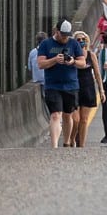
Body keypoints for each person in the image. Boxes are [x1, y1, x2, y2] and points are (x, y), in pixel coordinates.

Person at [36, 21, 85, 149]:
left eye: (67, 35)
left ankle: (67, 142)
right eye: (63, 35)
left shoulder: (74, 43)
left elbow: (83, 63)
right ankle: (54, 146)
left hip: (71, 85)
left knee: (68, 115)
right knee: (55, 114)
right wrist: (54, 60)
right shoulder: (46, 44)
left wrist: (73, 61)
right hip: (53, 85)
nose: (65, 38)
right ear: (56, 32)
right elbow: (40, 64)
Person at [71, 32, 103, 148]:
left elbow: (98, 74)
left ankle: (82, 145)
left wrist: (101, 90)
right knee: (76, 120)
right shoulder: (72, 55)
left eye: (83, 39)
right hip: (74, 88)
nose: (81, 41)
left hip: (88, 87)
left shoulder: (91, 55)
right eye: (78, 39)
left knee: (84, 120)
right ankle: (72, 139)